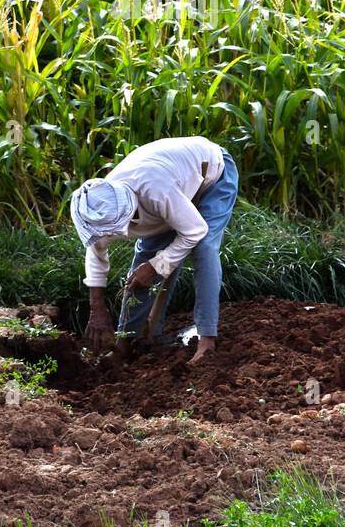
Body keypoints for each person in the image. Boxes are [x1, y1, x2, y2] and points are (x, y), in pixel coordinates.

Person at [70, 136, 239, 364]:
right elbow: (96, 255)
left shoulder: (155, 190)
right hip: (173, 189)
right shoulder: (98, 210)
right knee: (141, 269)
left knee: (203, 247)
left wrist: (156, 266)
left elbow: (195, 231)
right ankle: (126, 344)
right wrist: (96, 308)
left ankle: (207, 341)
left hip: (211, 175)